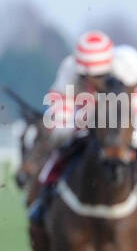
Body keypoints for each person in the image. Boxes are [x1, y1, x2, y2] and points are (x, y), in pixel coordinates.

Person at [28, 31, 121, 225]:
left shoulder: (124, 69)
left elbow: (133, 111)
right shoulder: (69, 71)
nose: (93, 81)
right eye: (88, 76)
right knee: (55, 159)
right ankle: (44, 200)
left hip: (115, 133)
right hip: (81, 129)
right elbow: (60, 114)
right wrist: (79, 122)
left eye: (100, 76)